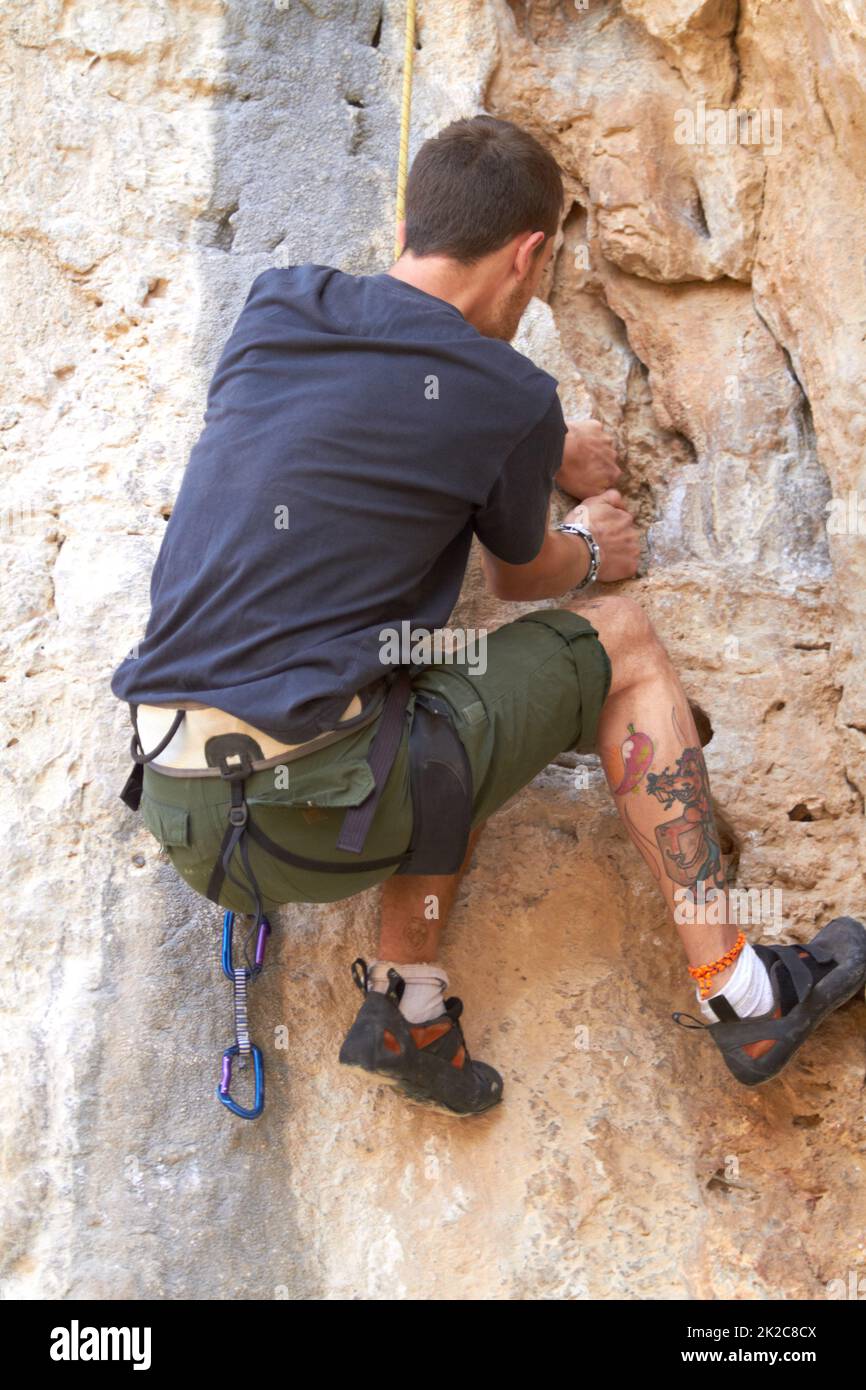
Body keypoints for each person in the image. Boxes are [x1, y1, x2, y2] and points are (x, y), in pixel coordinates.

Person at [111, 115, 866, 1118]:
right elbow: (525, 574)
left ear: (411, 220)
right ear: (529, 254)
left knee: (427, 706)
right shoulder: (505, 393)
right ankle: (744, 990)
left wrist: (537, 446)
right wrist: (593, 541)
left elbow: (366, 421)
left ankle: (406, 1006)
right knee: (620, 643)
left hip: (183, 801)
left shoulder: (278, 306)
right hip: (311, 809)